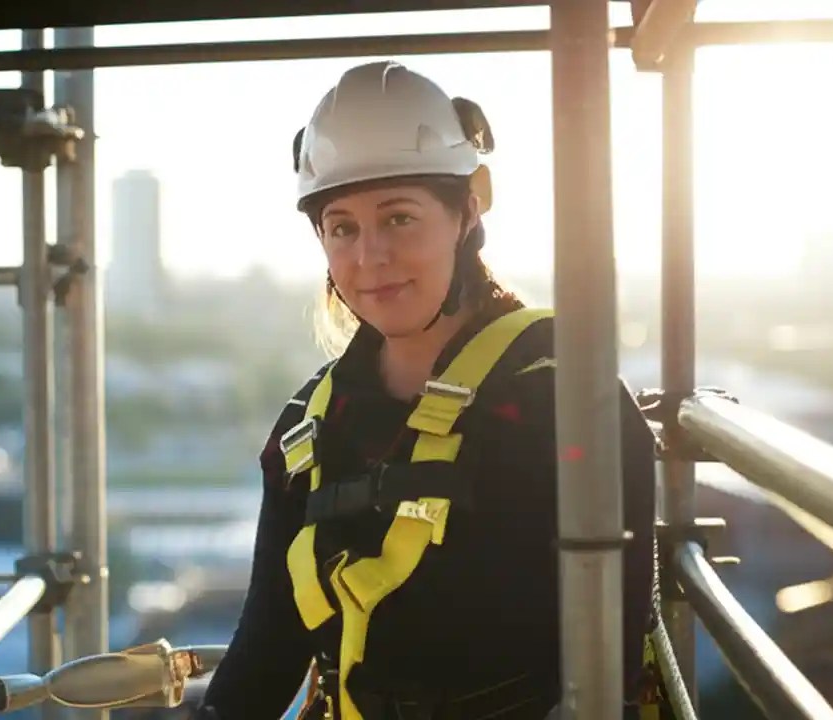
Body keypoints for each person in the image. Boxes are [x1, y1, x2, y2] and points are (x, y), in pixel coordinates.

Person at [199, 60, 669, 720]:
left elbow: (607, 666)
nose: (370, 258)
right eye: (343, 227)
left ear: (465, 213)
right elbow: (268, 645)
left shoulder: (566, 402)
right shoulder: (309, 424)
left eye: (398, 219)